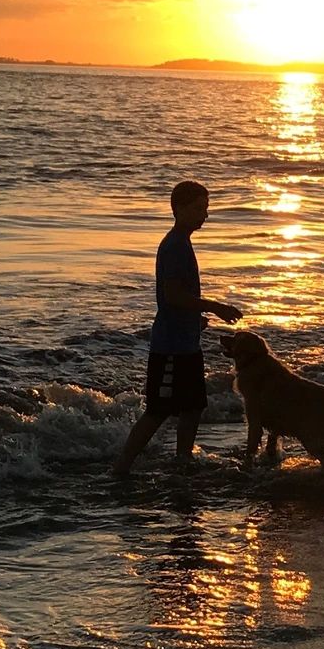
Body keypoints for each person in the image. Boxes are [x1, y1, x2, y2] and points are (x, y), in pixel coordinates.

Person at [112, 180, 241, 477]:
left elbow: (182, 298)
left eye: (206, 209)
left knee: (193, 406)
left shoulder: (184, 243)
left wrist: (195, 319)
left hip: (187, 342)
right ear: (178, 208)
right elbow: (172, 296)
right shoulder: (173, 246)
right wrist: (215, 307)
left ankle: (183, 460)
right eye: (198, 209)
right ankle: (120, 468)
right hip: (169, 345)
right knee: (158, 410)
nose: (204, 216)